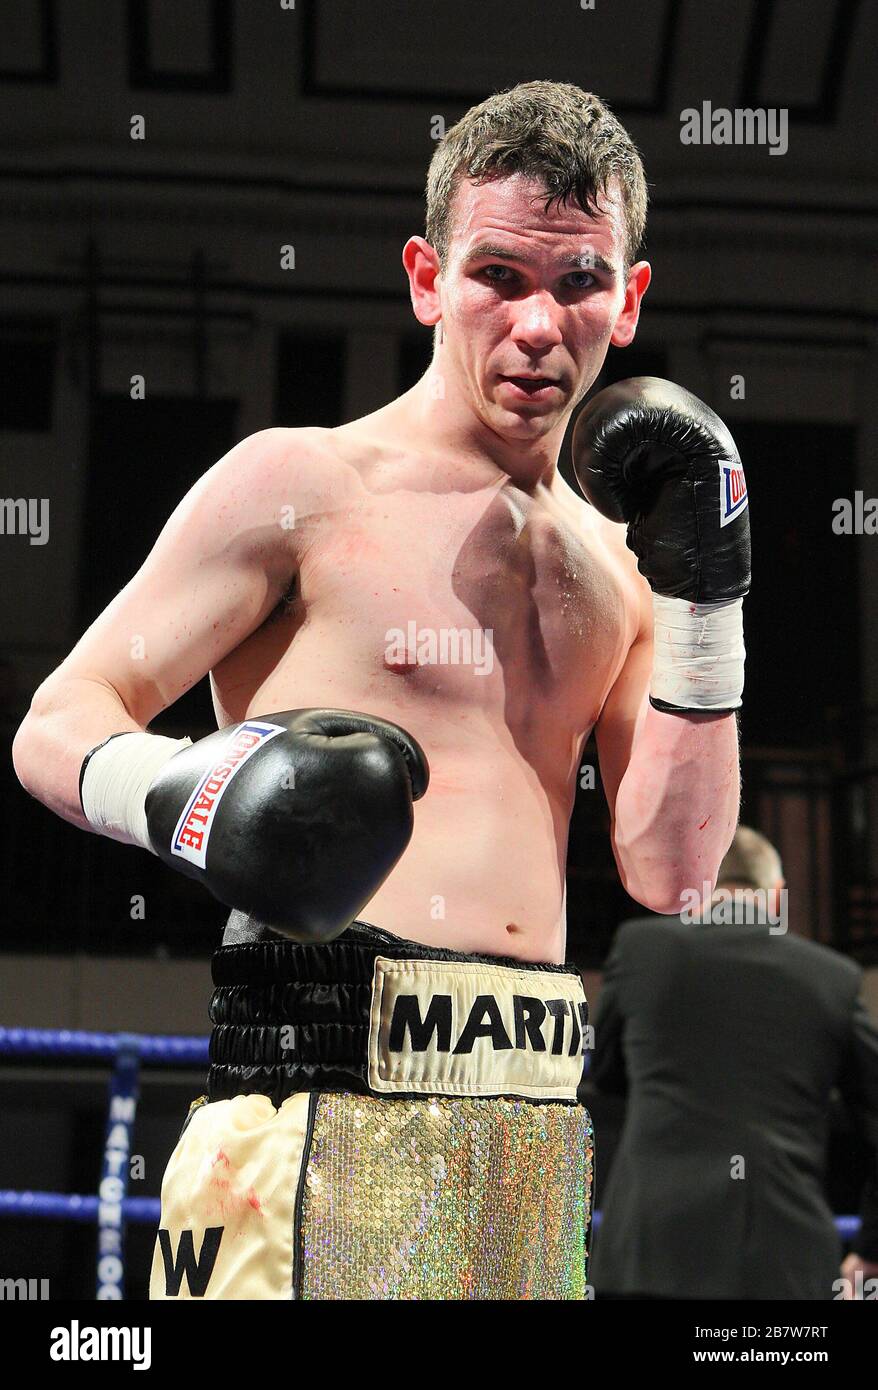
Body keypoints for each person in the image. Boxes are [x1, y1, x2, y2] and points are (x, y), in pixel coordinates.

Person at [11, 80, 747, 1301]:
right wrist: (190, 795)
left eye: (575, 281)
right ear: (424, 277)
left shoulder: (626, 568)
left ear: (627, 299)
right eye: (496, 275)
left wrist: (709, 603)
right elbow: (57, 720)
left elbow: (670, 873)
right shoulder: (303, 482)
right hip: (313, 1108)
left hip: (530, 1135)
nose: (534, 323)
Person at [589, 825, 878, 1300]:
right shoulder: (835, 979)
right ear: (777, 895)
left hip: (650, 1251)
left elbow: (606, 1075)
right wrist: (871, 1247)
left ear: (695, 886)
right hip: (783, 1257)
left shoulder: (641, 950)